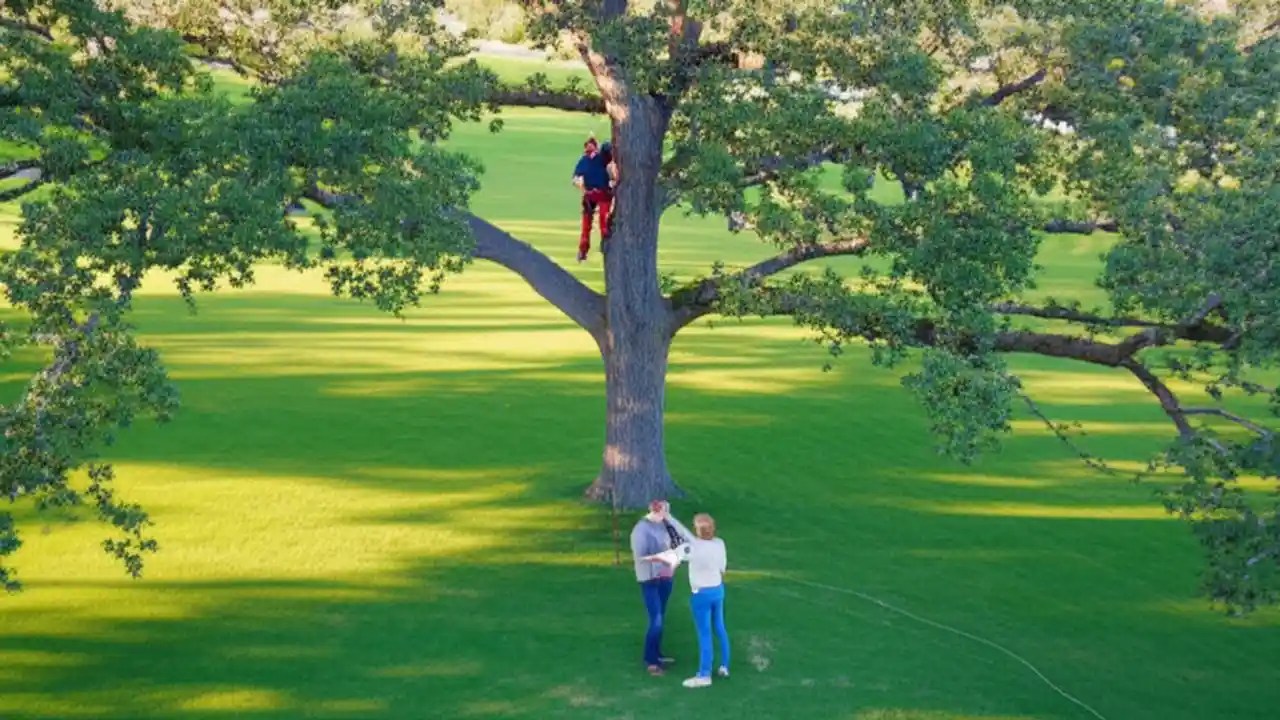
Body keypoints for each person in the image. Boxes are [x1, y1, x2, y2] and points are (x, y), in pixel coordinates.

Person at [648, 512, 730, 688]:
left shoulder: (693, 546)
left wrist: (667, 516)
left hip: (701, 595)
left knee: (705, 633)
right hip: (718, 590)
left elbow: (680, 532)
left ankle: (704, 675)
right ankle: (724, 665)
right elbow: (723, 569)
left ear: (698, 530)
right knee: (720, 627)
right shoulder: (719, 544)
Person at [630, 499, 692, 676]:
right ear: (654, 512)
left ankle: (657, 654)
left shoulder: (665, 524)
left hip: (666, 577)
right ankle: (651, 661)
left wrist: (671, 519)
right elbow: (641, 557)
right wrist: (664, 558)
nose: (665, 517)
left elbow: (686, 538)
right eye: (663, 514)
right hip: (650, 579)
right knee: (655, 619)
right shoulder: (641, 530)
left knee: (660, 617)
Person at [571, 135, 617, 262]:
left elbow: (610, 162)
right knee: (587, 223)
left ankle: (605, 244)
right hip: (591, 194)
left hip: (603, 193)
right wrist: (579, 184)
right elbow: (575, 178)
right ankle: (583, 250)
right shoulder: (584, 161)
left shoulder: (602, 158)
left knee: (603, 219)